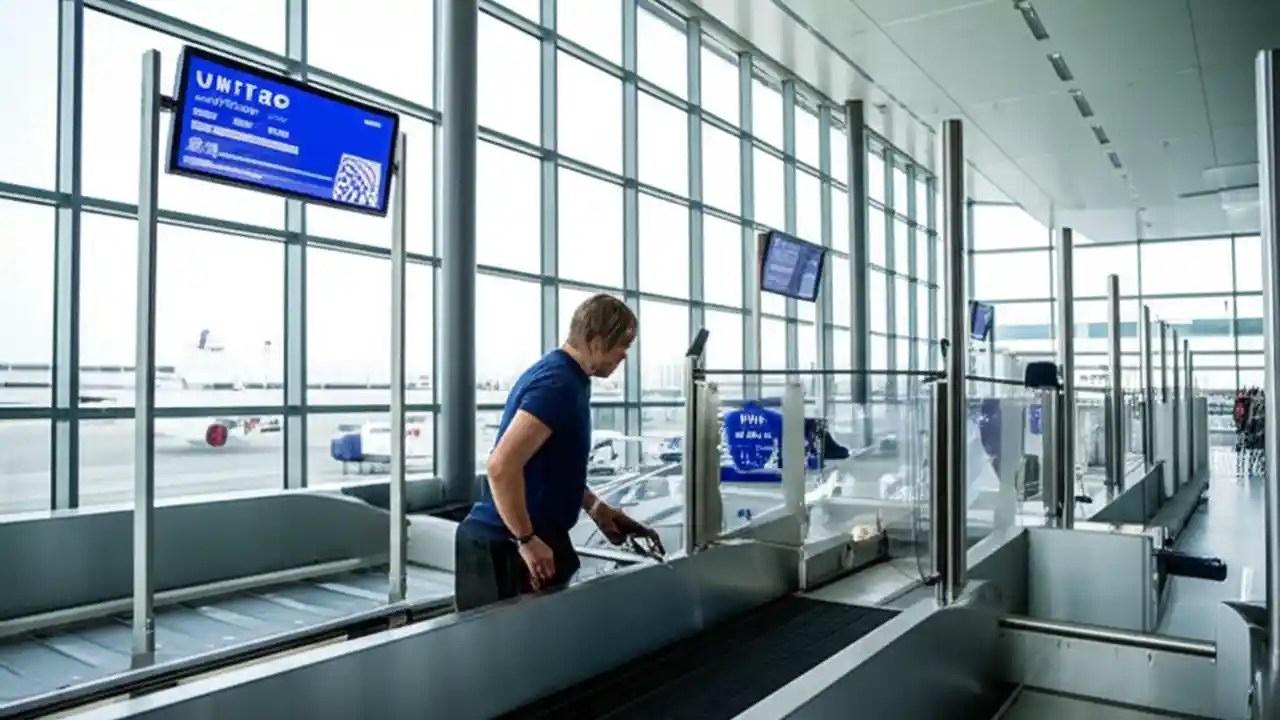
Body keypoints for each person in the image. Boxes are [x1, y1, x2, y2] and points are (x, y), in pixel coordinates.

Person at [454, 293, 664, 611]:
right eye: (623, 345)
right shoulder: (558, 384)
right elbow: (501, 466)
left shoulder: (572, 378)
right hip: (504, 544)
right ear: (595, 342)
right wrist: (525, 539)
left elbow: (552, 465)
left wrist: (596, 507)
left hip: (532, 536)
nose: (624, 356)